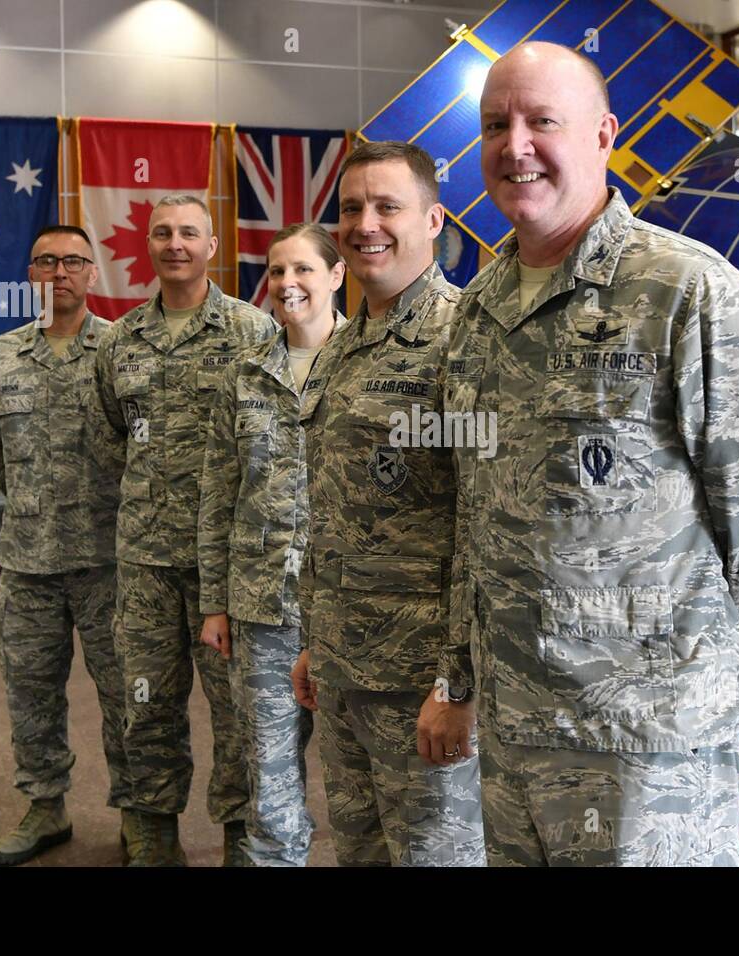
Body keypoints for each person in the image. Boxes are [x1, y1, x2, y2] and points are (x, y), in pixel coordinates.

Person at [438, 41, 739, 866]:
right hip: (515, 738)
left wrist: (703, 660)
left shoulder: (690, 294)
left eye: (543, 121)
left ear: (603, 135)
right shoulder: (476, 311)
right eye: (495, 126)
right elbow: (471, 520)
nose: (516, 146)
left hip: (646, 748)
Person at [290, 141, 485, 866]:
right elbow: (333, 510)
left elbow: (482, 526)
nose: (365, 223)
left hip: (419, 686)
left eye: (387, 207)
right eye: (350, 208)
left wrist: (456, 683)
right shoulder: (344, 345)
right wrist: (317, 638)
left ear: (434, 221)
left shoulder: (464, 340)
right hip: (344, 675)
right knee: (359, 854)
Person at [94, 194, 277, 866]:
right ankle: (150, 825)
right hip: (144, 558)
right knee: (144, 699)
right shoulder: (120, 340)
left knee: (234, 709)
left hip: (224, 564)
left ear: (211, 245)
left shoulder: (252, 331)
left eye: (188, 233)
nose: (175, 243)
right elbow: (111, 435)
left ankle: (238, 828)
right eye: (163, 233)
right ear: (149, 245)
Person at [0, 224, 132, 866]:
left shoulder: (121, 349)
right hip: (29, 562)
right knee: (32, 691)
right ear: (29, 275)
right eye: (45, 261)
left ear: (92, 274)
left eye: (73, 261)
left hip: (111, 563)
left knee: (127, 692)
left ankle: (140, 811)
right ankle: (45, 806)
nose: (59, 271)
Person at [197, 223, 348, 866]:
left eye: (304, 270)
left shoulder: (371, 366)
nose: (288, 284)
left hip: (353, 608)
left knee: (358, 779)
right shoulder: (246, 375)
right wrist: (214, 603)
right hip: (264, 609)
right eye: (277, 271)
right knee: (270, 776)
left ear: (337, 276)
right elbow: (217, 494)